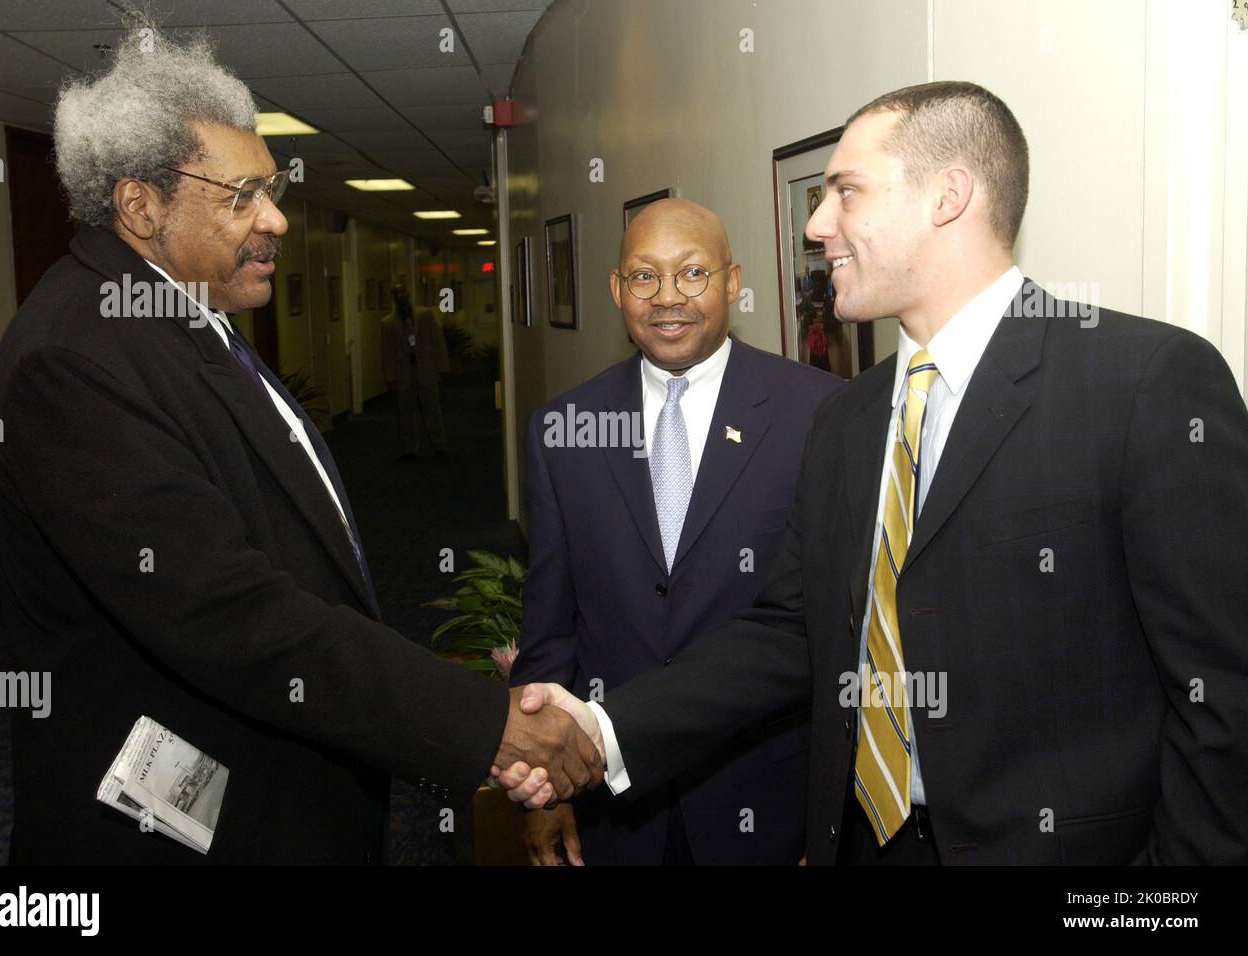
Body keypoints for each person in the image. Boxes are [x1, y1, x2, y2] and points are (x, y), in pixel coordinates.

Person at [498, 81, 1248, 865]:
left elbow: (1225, 699)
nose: (818, 225)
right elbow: (792, 632)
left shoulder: (1143, 384)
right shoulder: (849, 418)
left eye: (845, 193)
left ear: (947, 196)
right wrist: (601, 729)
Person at [0, 25, 597, 865]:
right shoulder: (75, 357)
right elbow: (228, 611)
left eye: (269, 189)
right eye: (241, 195)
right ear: (141, 205)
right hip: (170, 826)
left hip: (272, 777)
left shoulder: (185, 323)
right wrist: (482, 724)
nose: (275, 216)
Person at [511, 199, 842, 865]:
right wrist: (551, 797)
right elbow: (550, 629)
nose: (668, 299)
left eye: (692, 274)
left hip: (767, 793)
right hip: (613, 808)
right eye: (644, 277)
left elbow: (835, 625)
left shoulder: (819, 413)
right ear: (616, 288)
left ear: (731, 282)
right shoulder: (563, 430)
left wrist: (830, 820)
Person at [381, 285, 449, 458]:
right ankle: (409, 448)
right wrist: (390, 376)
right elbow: (387, 351)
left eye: (404, 292)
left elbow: (437, 340)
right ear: (394, 298)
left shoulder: (425, 315)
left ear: (409, 294)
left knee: (432, 409)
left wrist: (442, 366)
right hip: (404, 374)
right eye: (398, 294)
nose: (401, 296)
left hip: (426, 370)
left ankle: (439, 444)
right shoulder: (388, 323)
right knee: (405, 414)